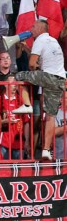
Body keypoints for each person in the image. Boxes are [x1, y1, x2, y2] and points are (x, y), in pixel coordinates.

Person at [16, 19, 66, 160]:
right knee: (50, 116)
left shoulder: (40, 39)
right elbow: (44, 58)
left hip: (47, 77)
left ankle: (26, 105)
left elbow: (32, 64)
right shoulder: (53, 40)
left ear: (40, 28)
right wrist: (27, 49)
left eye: (33, 26)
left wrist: (34, 70)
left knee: (17, 76)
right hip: (60, 79)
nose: (31, 29)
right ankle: (45, 151)